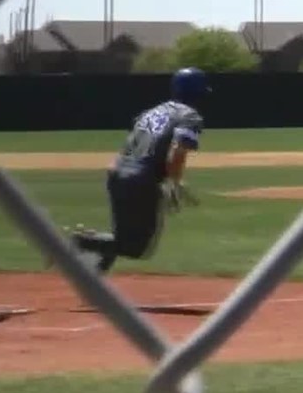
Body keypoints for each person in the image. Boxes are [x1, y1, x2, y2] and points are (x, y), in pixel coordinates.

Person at [63, 67, 208, 274]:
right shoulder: (190, 116)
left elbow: (136, 137)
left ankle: (93, 281)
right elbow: (177, 149)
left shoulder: (153, 111)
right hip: (142, 179)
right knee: (136, 248)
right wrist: (173, 182)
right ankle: (82, 242)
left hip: (117, 171)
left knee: (119, 239)